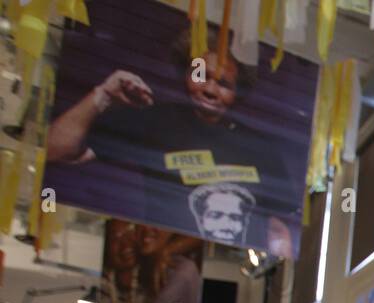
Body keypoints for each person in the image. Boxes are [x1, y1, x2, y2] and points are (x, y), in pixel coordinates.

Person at [46, 27, 296, 257]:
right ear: (185, 73)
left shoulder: (259, 148)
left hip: (225, 268)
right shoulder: (153, 122)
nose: (210, 89)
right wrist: (102, 95)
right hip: (156, 258)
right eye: (201, 75)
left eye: (223, 84)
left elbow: (279, 228)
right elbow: (56, 149)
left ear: (238, 92)